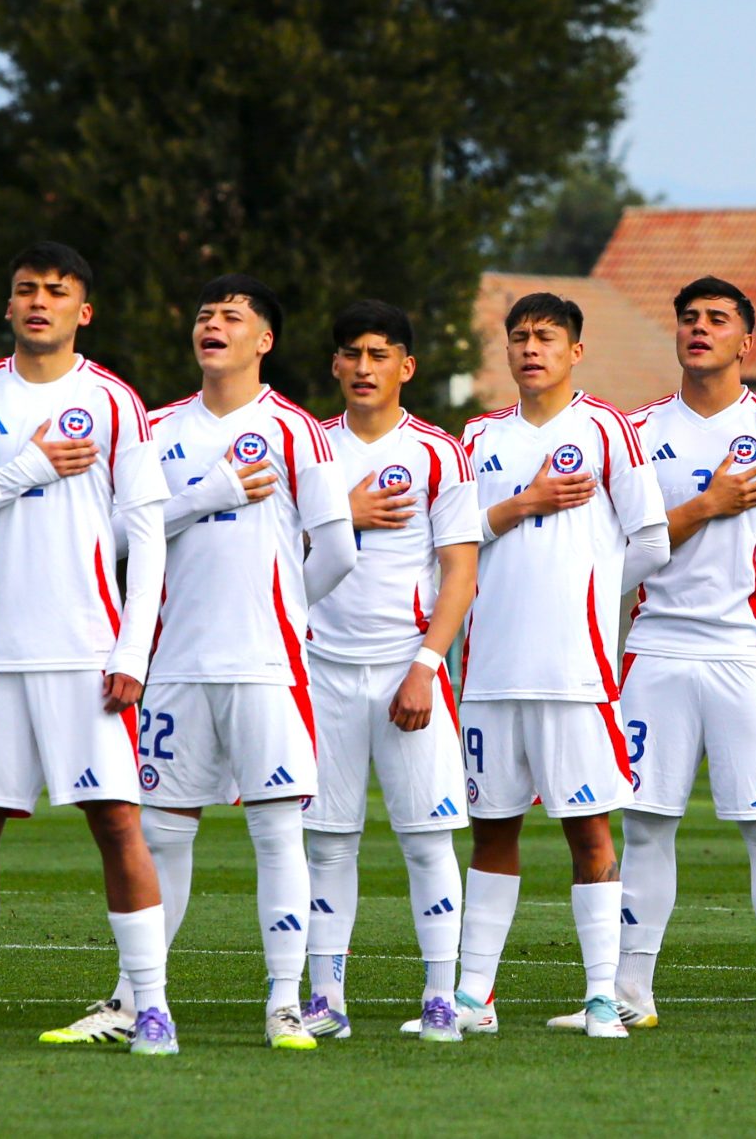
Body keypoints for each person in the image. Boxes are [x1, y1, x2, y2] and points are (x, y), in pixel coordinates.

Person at [77, 274, 357, 1050]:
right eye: (204, 315)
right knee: (162, 834)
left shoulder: (300, 430)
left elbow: (336, 549)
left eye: (233, 317)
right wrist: (208, 493)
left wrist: (288, 614)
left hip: (268, 666)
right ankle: (137, 1000)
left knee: (278, 834)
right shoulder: (155, 427)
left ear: (263, 339)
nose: (214, 325)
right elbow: (121, 538)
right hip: (174, 664)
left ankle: (284, 1002)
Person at [561, 276, 756, 1036]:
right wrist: (703, 508)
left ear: (747, 340)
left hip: (746, 655)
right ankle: (631, 990)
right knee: (646, 823)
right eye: (688, 318)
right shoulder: (635, 432)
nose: (700, 328)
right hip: (654, 648)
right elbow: (614, 552)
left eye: (718, 319)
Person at [0, 243, 175, 1055]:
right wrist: (29, 468)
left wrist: (134, 651)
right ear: (6, 307)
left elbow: (147, 537)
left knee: (119, 822)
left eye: (57, 291)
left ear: (85, 310)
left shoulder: (116, 400)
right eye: (24, 290)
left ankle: (150, 1006)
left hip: (87, 654)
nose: (38, 301)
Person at [452, 292, 670, 1040]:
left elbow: (651, 541)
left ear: (576, 351)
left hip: (575, 673)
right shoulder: (478, 435)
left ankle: (604, 996)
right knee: (491, 831)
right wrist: (521, 505)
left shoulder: (608, 429)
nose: (530, 348)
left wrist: (586, 584)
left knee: (589, 832)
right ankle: (474, 995)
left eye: (546, 336)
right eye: (519, 337)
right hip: (487, 673)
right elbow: (454, 540)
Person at [293, 300, 477, 1044]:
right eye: (351, 353)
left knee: (427, 838)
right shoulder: (306, 449)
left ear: (406, 366)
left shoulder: (440, 453)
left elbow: (460, 572)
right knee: (328, 840)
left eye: (379, 354)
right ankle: (326, 999)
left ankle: (440, 996)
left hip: (407, 670)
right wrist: (346, 510)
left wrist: (426, 665)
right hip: (320, 670)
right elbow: (280, 550)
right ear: (335, 363)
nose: (363, 368)